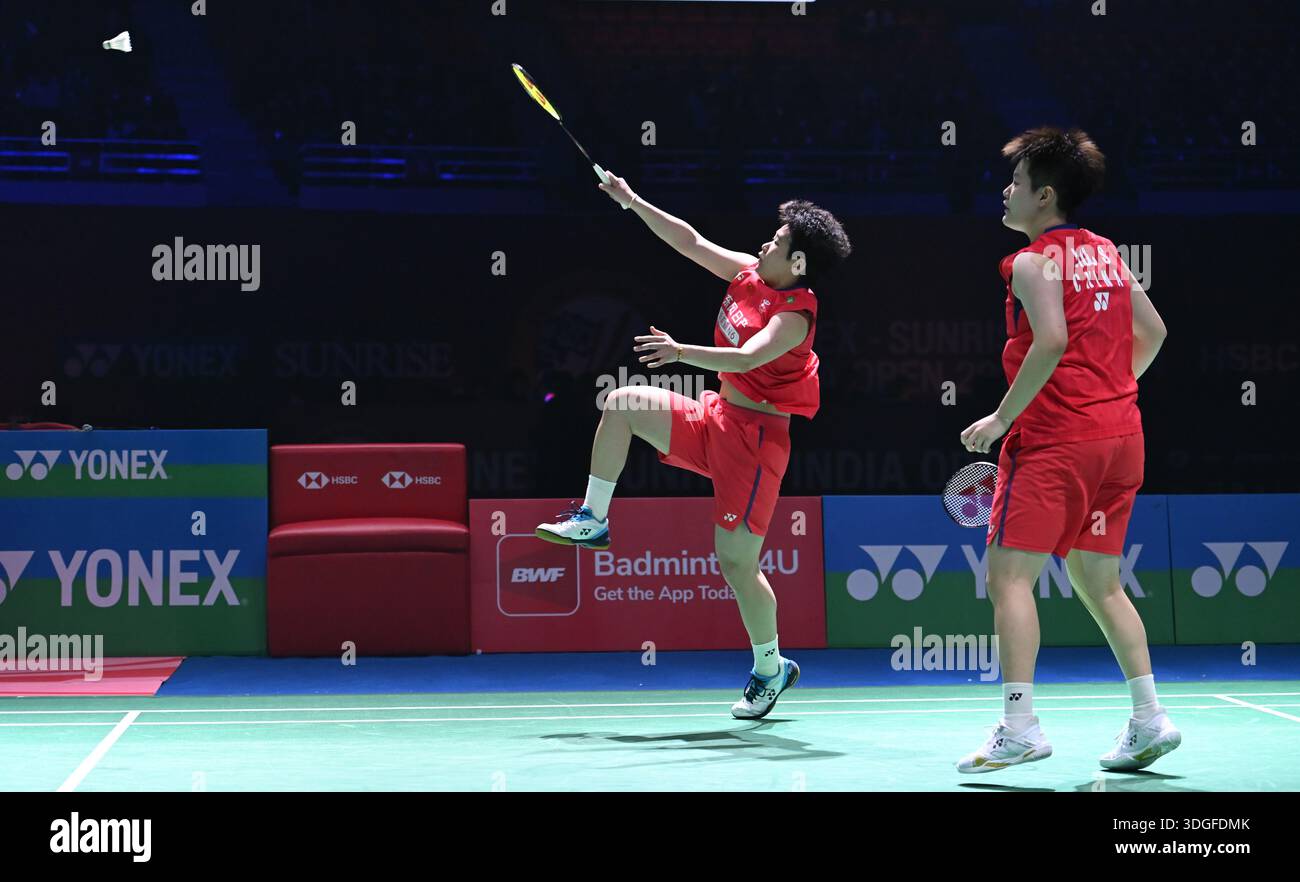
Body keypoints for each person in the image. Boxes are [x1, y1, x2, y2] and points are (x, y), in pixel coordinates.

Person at [536, 172, 851, 720]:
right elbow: (691, 242)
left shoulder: (795, 318)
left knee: (737, 564)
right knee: (622, 405)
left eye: (776, 242)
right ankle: (593, 517)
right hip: (718, 414)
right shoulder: (751, 274)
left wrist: (681, 353)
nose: (764, 243)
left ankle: (770, 669)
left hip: (755, 444)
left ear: (798, 263)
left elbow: (749, 357)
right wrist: (631, 201)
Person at [957, 127, 1178, 772]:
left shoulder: (1031, 262)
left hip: (1055, 443)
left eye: (1017, 183)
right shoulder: (1106, 252)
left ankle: (1020, 726)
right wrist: (1109, 389)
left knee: (1008, 576)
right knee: (1099, 580)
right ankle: (1148, 718)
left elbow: (1049, 340)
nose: (1006, 191)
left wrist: (1001, 419)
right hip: (1120, 440)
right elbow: (1154, 332)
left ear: (1044, 194)